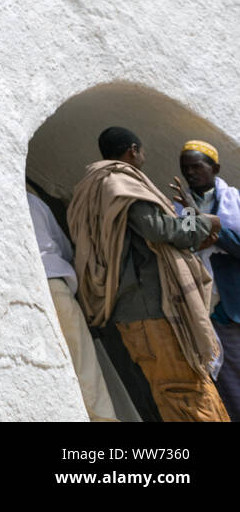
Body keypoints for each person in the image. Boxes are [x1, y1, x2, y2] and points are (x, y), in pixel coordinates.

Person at [67, 126, 229, 421]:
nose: (144, 156)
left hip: (129, 311)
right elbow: (160, 230)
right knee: (185, 387)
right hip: (153, 307)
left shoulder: (90, 187)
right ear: (132, 150)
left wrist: (190, 212)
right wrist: (203, 222)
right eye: (142, 151)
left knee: (170, 389)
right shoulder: (121, 183)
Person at [26, 183, 119, 420]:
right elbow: (65, 248)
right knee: (83, 360)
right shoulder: (35, 203)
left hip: (23, 293)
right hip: (54, 282)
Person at [172, 139, 240, 419]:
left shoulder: (234, 200)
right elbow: (188, 246)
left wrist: (209, 224)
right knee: (229, 383)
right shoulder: (183, 207)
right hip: (211, 309)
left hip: (235, 299)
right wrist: (195, 218)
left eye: (197, 167)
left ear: (215, 168)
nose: (190, 173)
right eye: (185, 168)